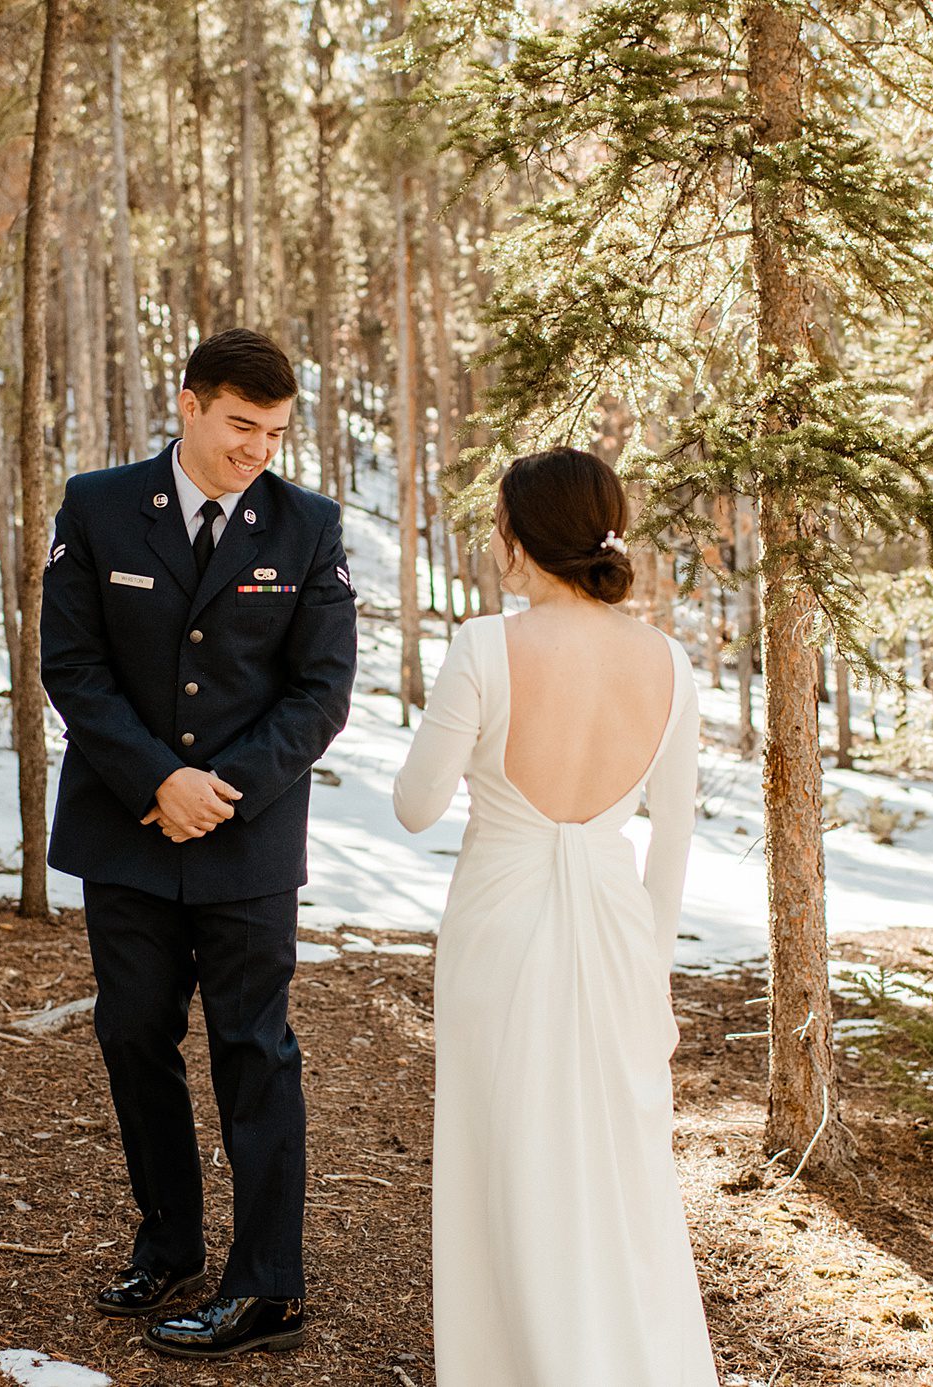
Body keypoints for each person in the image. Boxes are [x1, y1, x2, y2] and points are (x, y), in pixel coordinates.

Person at [40, 328, 357, 1360]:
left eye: (274, 432)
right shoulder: (95, 506)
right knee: (133, 1033)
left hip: (246, 836)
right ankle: (169, 1240)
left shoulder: (308, 527)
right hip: (127, 827)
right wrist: (156, 780)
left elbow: (322, 690)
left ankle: (267, 1286)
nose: (256, 449)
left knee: (252, 1050)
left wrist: (223, 791)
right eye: (239, 426)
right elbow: (72, 665)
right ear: (188, 405)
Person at [391, 447, 721, 1385]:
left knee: (502, 1152)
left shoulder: (484, 646)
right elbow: (673, 838)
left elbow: (416, 804)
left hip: (501, 922)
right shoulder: (669, 661)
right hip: (619, 930)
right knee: (617, 1167)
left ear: (523, 538)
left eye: (501, 523)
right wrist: (650, 978)